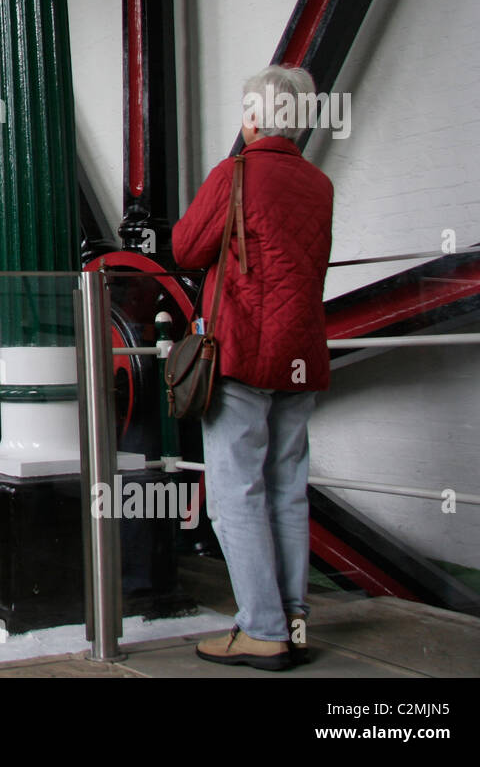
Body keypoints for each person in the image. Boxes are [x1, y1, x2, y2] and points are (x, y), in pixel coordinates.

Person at [173, 66, 333, 671]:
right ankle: (291, 622)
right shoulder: (319, 184)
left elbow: (186, 247)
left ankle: (261, 628)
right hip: (299, 355)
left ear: (252, 118)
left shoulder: (236, 173)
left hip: (239, 352)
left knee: (235, 495)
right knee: (288, 491)